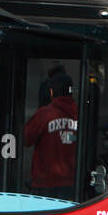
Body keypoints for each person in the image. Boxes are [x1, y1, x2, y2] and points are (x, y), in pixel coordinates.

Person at [24, 70, 79, 199]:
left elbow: (25, 139)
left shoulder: (44, 114)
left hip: (45, 184)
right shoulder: (81, 114)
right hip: (73, 184)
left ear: (51, 92)